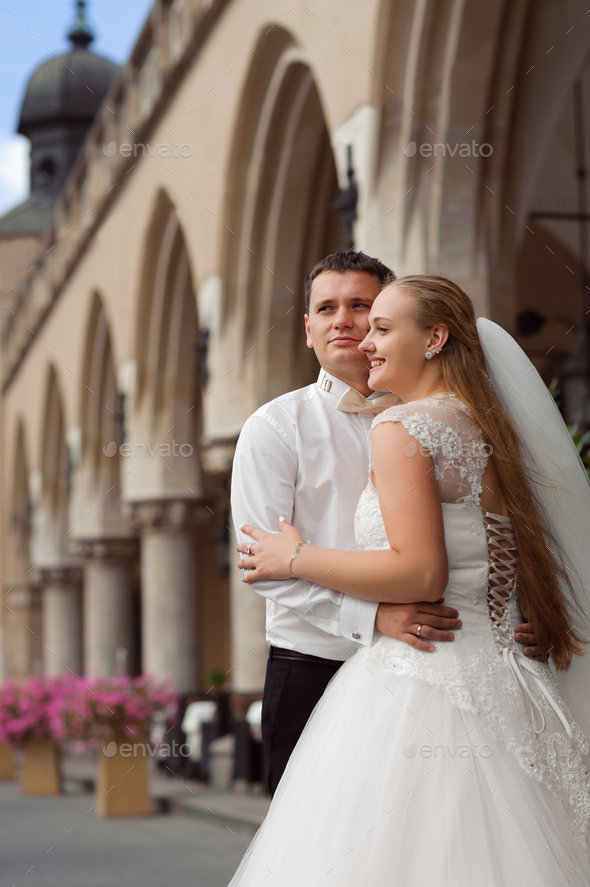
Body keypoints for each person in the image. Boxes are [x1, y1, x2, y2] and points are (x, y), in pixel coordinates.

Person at [232, 275, 590, 885]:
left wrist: (296, 555)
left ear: (434, 338)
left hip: (423, 672)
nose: (363, 336)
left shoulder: (402, 426)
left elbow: (423, 570)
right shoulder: (490, 427)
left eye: (378, 323)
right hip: (494, 675)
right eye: (333, 312)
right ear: (309, 326)